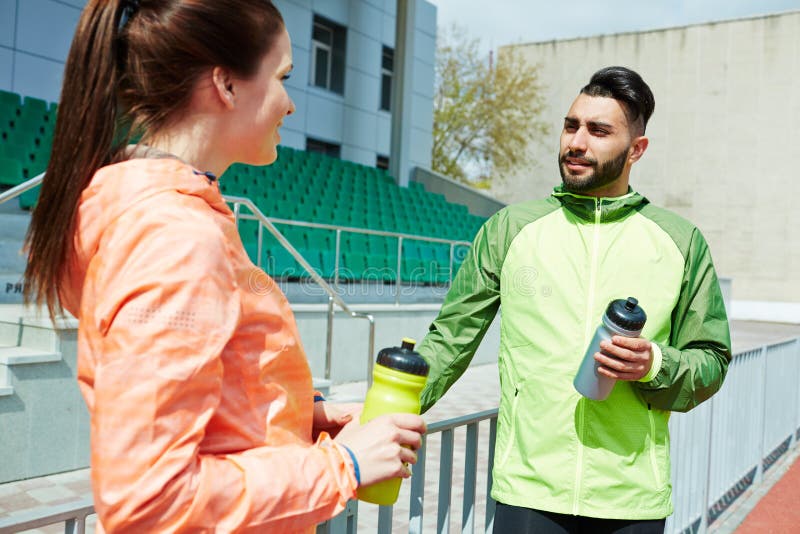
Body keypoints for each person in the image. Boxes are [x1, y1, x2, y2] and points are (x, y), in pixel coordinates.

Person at [23, 1, 426, 532]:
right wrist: (341, 466)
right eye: (282, 77)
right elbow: (148, 499)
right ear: (227, 86)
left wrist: (300, 411)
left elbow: (207, 398)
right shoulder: (175, 238)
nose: (290, 105)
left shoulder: (181, 216)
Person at [416, 66, 731, 533]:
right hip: (529, 491)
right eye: (571, 126)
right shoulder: (510, 229)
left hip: (631, 498)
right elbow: (448, 342)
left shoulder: (681, 242)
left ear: (635, 150)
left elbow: (712, 360)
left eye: (599, 131)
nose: (576, 142)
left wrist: (654, 364)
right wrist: (375, 416)